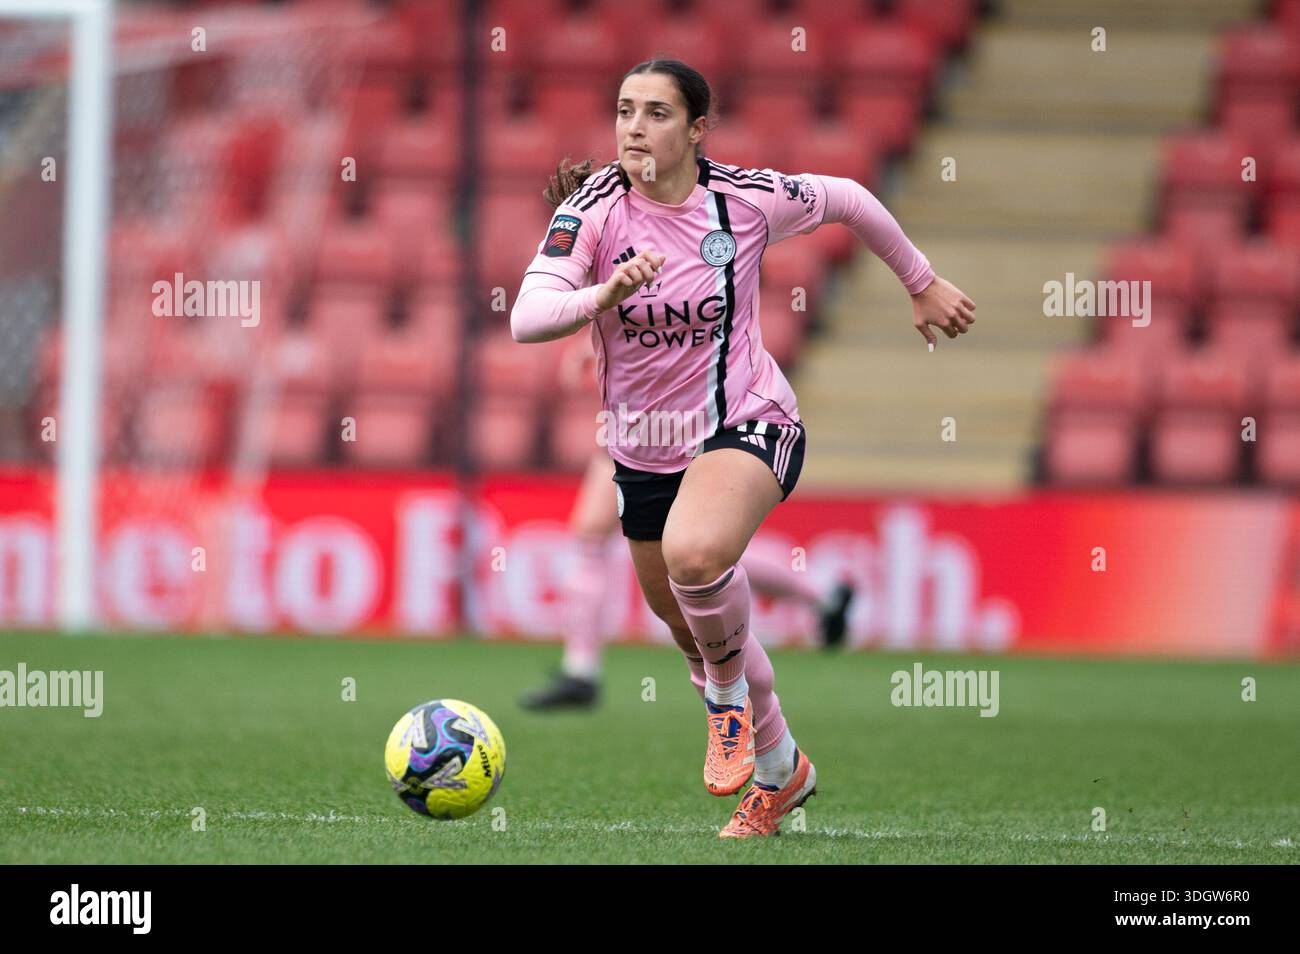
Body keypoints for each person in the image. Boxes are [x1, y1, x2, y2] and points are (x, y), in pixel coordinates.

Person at [510, 59, 975, 838]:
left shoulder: (745, 199)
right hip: (644, 448)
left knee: (696, 559)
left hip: (749, 420)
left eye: (656, 112)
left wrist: (919, 280)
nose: (633, 126)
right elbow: (528, 316)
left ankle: (725, 709)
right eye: (625, 109)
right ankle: (780, 768)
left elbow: (850, 199)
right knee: (692, 626)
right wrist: (607, 294)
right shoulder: (592, 209)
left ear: (696, 129)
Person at [522, 338, 856, 712]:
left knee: (690, 555)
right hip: (641, 408)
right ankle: (580, 668)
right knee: (625, 539)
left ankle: (582, 669)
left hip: (680, 406)